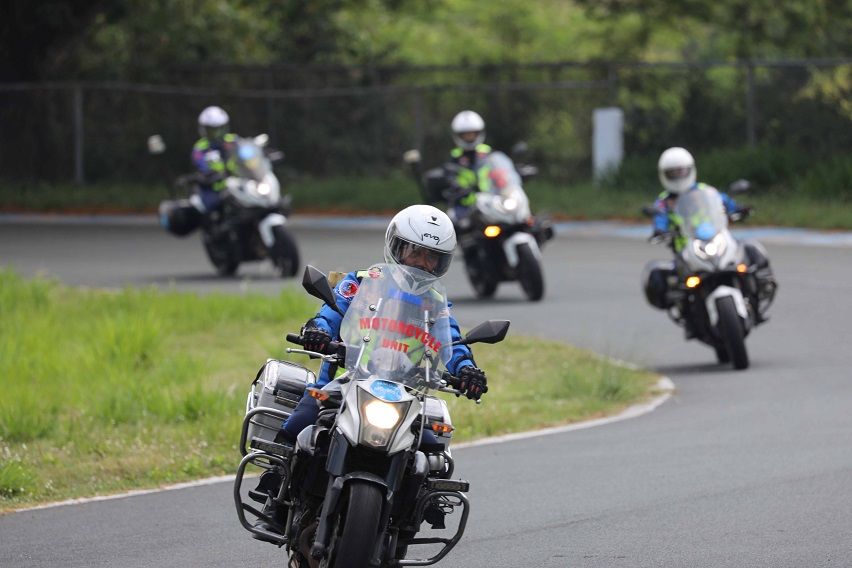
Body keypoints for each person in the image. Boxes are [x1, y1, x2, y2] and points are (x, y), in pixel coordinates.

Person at [252, 204, 488, 539]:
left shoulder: (436, 304)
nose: (423, 262)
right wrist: (318, 331)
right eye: (416, 252)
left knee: (435, 453)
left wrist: (466, 370)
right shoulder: (363, 281)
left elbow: (451, 343)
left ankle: (412, 516)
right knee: (305, 418)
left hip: (405, 394)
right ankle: (275, 499)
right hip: (349, 382)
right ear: (397, 247)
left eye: (432, 257)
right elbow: (332, 313)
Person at [650, 146, 742, 251]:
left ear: (690, 169)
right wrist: (660, 230)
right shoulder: (664, 200)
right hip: (685, 251)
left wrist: (737, 208)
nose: (678, 176)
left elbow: (722, 200)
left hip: (715, 241)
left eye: (681, 171)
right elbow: (660, 217)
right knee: (656, 267)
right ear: (664, 174)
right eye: (672, 173)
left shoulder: (704, 190)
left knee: (749, 249)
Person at [191, 105, 238, 213]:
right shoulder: (200, 148)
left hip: (238, 185)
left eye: (220, 129)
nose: (217, 134)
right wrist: (211, 174)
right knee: (211, 209)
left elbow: (248, 149)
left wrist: (263, 151)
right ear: (204, 130)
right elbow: (201, 165)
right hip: (214, 189)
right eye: (212, 130)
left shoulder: (234, 140)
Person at [447, 110, 493, 212]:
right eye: (466, 135)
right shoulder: (455, 156)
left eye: (472, 134)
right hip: (463, 205)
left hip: (490, 202)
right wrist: (455, 186)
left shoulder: (488, 152)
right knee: (452, 222)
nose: (469, 137)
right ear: (459, 135)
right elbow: (449, 176)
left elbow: (501, 170)